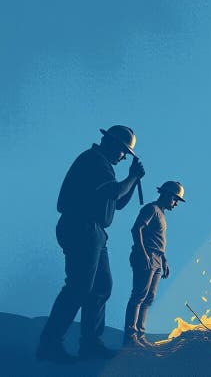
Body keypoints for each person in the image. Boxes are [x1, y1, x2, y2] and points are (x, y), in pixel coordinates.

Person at [37, 125, 146, 363]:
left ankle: (90, 343)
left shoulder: (104, 165)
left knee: (100, 287)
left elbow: (117, 203)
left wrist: (132, 179)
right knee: (78, 287)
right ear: (113, 144)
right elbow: (116, 193)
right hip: (81, 226)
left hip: (94, 231)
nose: (123, 156)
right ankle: (50, 344)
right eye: (123, 152)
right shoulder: (94, 161)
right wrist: (133, 177)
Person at [123, 181, 185, 347]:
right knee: (139, 296)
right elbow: (136, 229)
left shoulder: (161, 214)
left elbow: (158, 240)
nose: (176, 203)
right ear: (167, 194)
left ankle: (140, 336)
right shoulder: (151, 209)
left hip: (156, 258)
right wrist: (143, 254)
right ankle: (130, 338)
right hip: (146, 255)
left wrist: (164, 260)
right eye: (175, 199)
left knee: (149, 298)